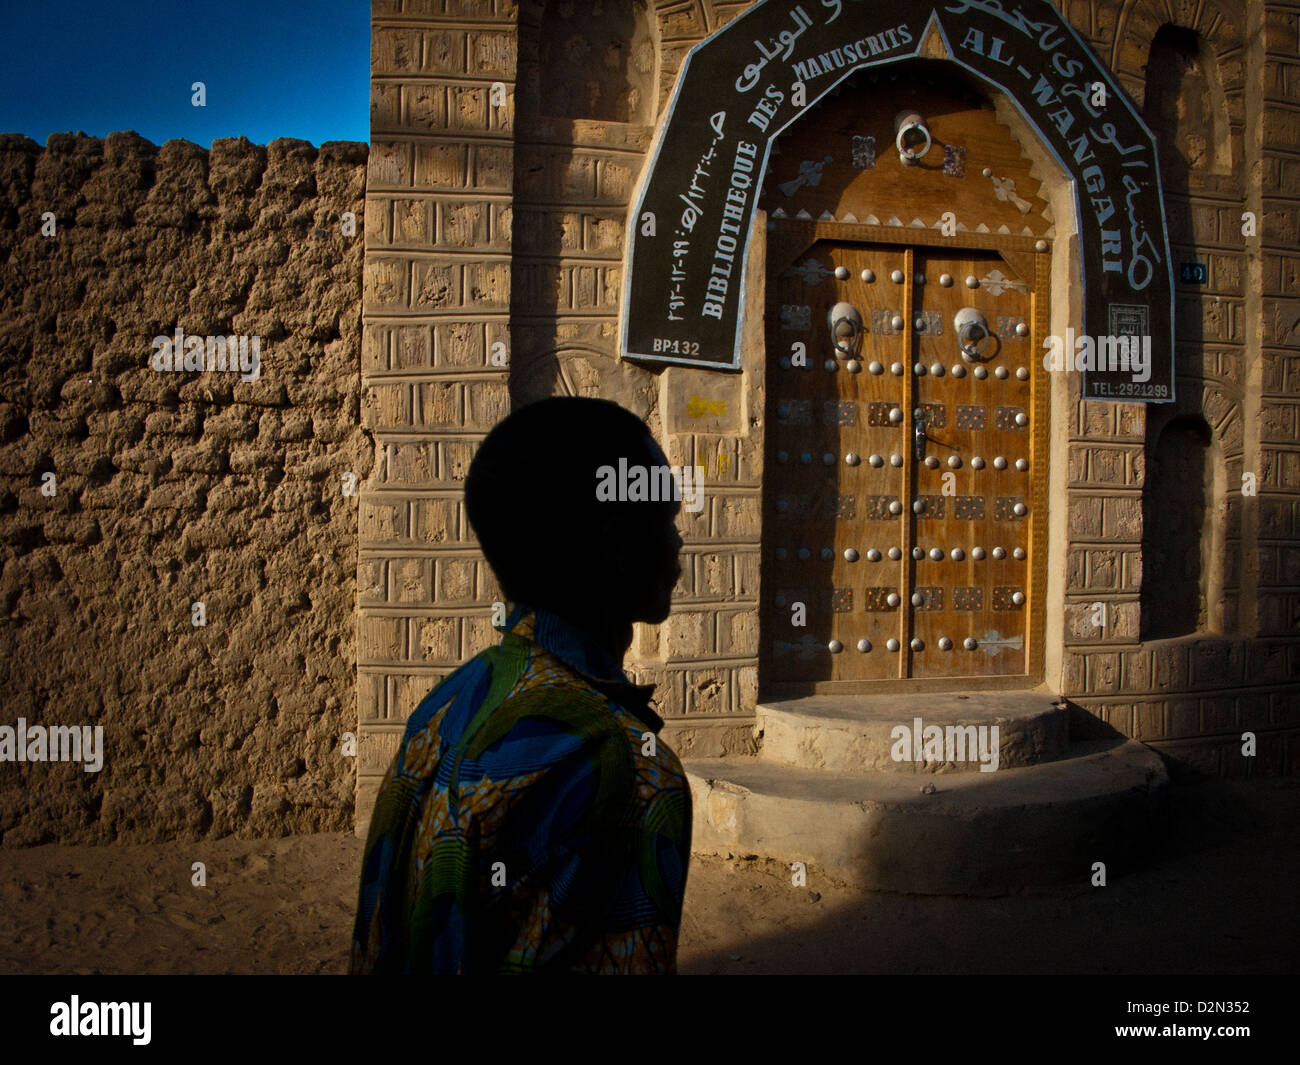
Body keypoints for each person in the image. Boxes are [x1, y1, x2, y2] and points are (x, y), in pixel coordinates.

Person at [349, 396, 692, 974]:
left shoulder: (447, 705)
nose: (678, 543)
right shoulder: (630, 771)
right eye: (664, 520)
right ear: (615, 544)